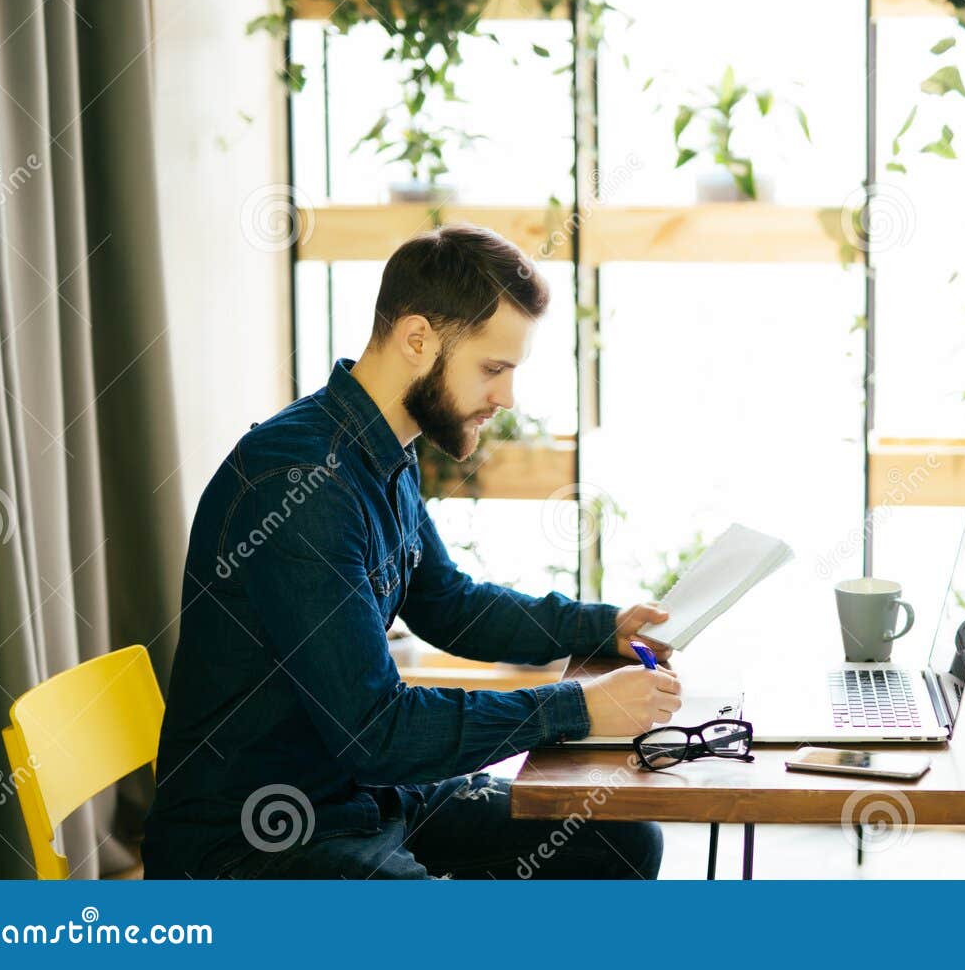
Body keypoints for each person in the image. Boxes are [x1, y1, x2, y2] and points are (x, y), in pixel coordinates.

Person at [143, 224, 680, 879]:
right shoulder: (301, 485)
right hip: (255, 846)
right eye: (493, 368)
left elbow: (450, 604)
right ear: (418, 338)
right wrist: (577, 706)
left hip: (356, 800)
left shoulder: (382, 450)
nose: (507, 397)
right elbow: (377, 732)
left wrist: (603, 625)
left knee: (623, 839)